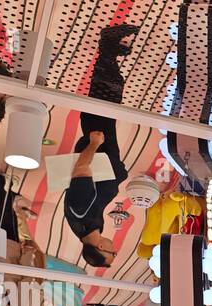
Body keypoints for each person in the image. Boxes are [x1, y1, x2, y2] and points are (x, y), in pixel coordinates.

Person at [63, 25, 137, 268]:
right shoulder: (92, 225)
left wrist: (94, 144)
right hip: (105, 150)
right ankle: (109, 52)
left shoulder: (80, 215)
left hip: (98, 145)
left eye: (112, 254)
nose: (115, 250)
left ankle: (107, 43)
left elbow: (81, 171)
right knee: (110, 93)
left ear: (100, 248)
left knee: (105, 91)